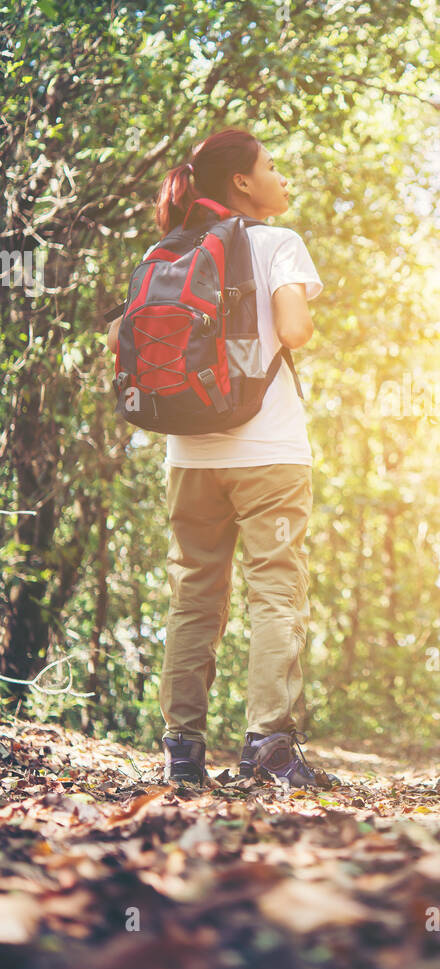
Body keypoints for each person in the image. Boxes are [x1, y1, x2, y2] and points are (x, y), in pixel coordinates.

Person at [107, 128, 336, 790]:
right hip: (269, 452)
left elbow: (125, 340)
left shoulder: (164, 251)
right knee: (274, 593)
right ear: (241, 182)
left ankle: (182, 750)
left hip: (187, 455)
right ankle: (268, 744)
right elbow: (294, 331)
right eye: (271, 166)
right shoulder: (277, 243)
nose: (281, 177)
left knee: (193, 598)